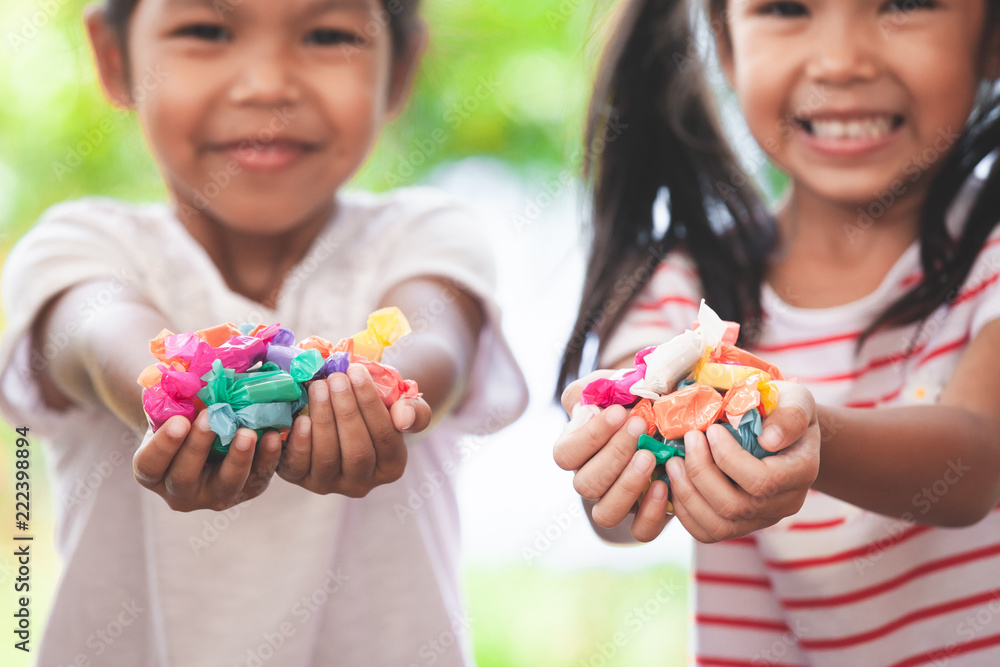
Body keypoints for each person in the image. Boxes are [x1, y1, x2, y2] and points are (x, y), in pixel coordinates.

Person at [0, 0, 527, 665]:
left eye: (328, 34)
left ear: (401, 70)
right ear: (113, 57)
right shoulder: (77, 246)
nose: (268, 85)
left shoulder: (428, 236)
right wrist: (175, 401)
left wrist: (381, 394)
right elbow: (98, 332)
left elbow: (433, 344)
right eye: (206, 30)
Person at [554, 0, 1000, 664]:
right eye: (787, 7)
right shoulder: (680, 285)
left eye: (904, 3)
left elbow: (976, 464)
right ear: (725, 43)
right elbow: (615, 508)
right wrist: (615, 444)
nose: (841, 63)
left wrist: (809, 435)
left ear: (992, 37)